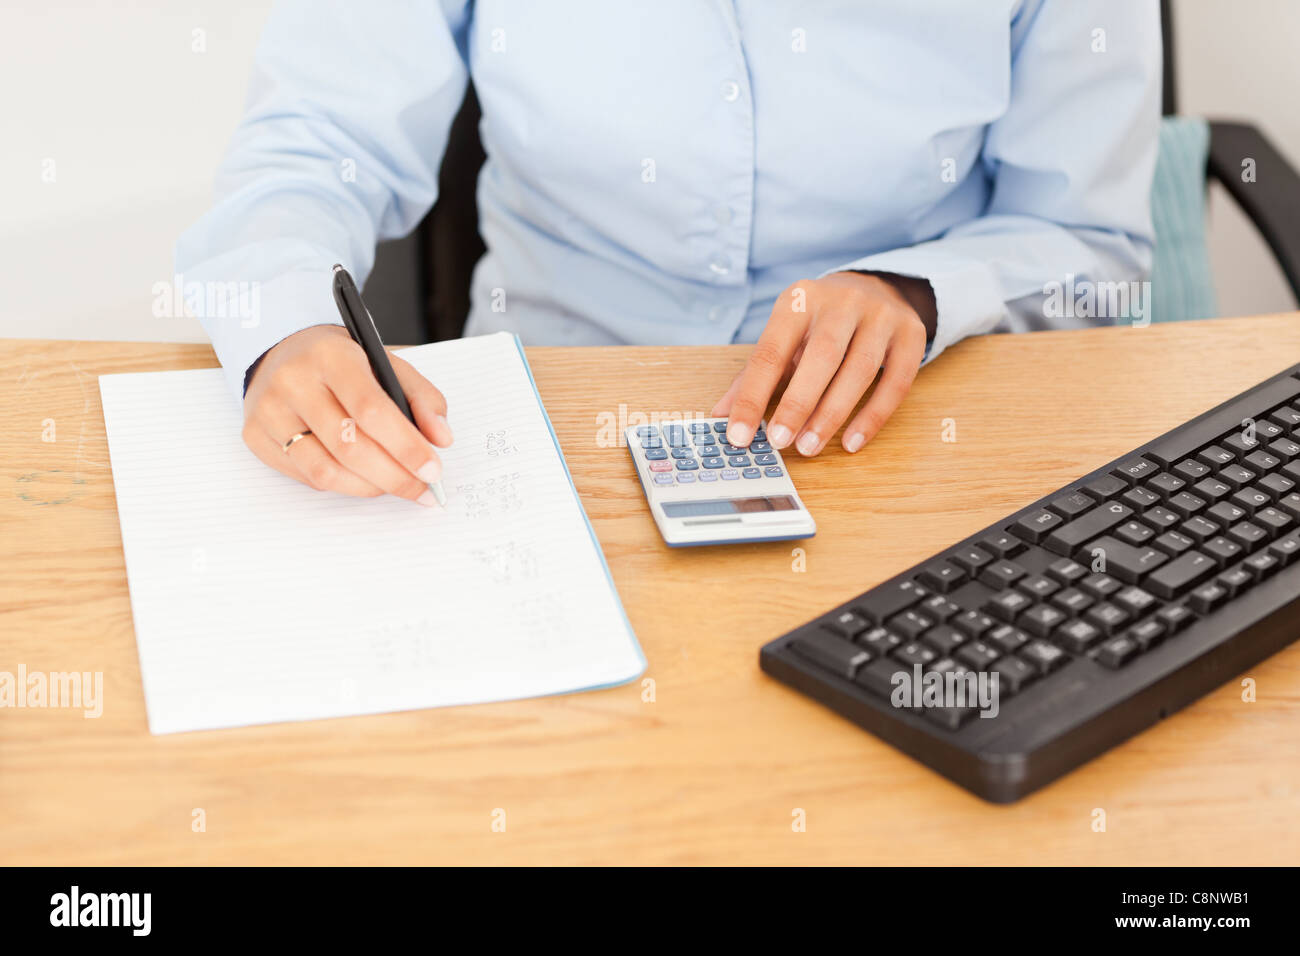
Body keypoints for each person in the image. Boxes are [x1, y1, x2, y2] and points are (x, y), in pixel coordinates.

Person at [177, 0, 1160, 506]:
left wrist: (923, 292)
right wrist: (286, 326)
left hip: (914, 431)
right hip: (550, 411)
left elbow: (1091, 246)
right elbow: (314, 142)